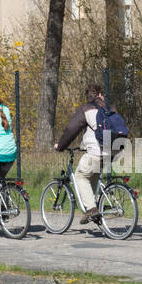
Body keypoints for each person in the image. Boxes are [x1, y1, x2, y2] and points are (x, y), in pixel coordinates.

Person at [55, 82, 106, 225]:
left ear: (88, 96)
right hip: (114, 151)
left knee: (80, 176)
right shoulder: (110, 109)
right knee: (92, 174)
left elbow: (72, 129)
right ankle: (95, 207)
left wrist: (61, 146)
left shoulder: (86, 109)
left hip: (97, 151)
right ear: (100, 95)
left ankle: (91, 209)